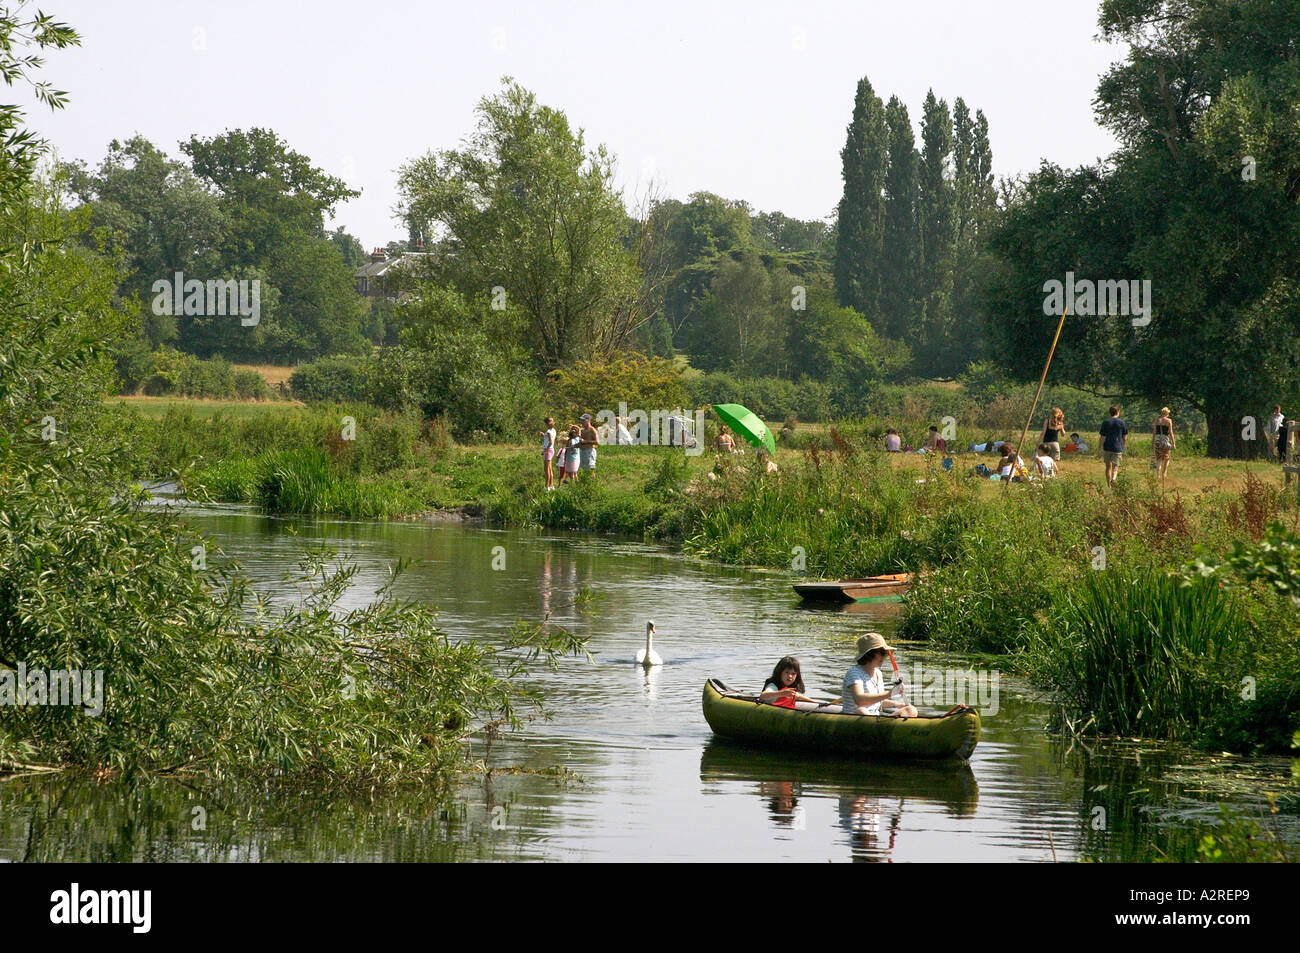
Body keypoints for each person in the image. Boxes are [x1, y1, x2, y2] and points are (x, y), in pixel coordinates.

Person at [841, 633, 917, 718]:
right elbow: (860, 700)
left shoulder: (878, 673)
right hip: (852, 718)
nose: (885, 656)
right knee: (861, 710)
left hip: (874, 718)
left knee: (911, 710)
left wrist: (898, 704)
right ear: (869, 654)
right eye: (882, 652)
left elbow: (878, 701)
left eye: (886, 653)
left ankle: (883, 725)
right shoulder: (854, 673)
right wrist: (890, 693)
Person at [1099, 405, 1128, 487]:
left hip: (1107, 446)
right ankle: (1114, 479)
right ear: (1118, 412)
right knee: (1116, 467)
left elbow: (1102, 437)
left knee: (1108, 467)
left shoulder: (1106, 422)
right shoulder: (1122, 422)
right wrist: (1123, 446)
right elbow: (1125, 437)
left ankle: (1109, 485)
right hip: (1117, 447)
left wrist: (1100, 448)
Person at [1152, 406, 1175, 479]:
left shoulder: (1157, 420)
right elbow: (1171, 432)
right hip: (1165, 440)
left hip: (1157, 440)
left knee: (1158, 458)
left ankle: (1157, 475)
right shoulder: (1169, 421)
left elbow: (1154, 432)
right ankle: (1164, 473)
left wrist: (1152, 442)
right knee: (1166, 457)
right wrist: (1174, 443)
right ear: (1167, 413)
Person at [541, 417, 557, 491]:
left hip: (548, 450)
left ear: (546, 424)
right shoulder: (553, 430)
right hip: (551, 450)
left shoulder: (548, 432)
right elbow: (549, 438)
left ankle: (547, 486)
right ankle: (551, 485)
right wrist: (544, 435)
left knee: (546, 469)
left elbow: (550, 442)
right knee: (550, 469)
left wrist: (545, 451)